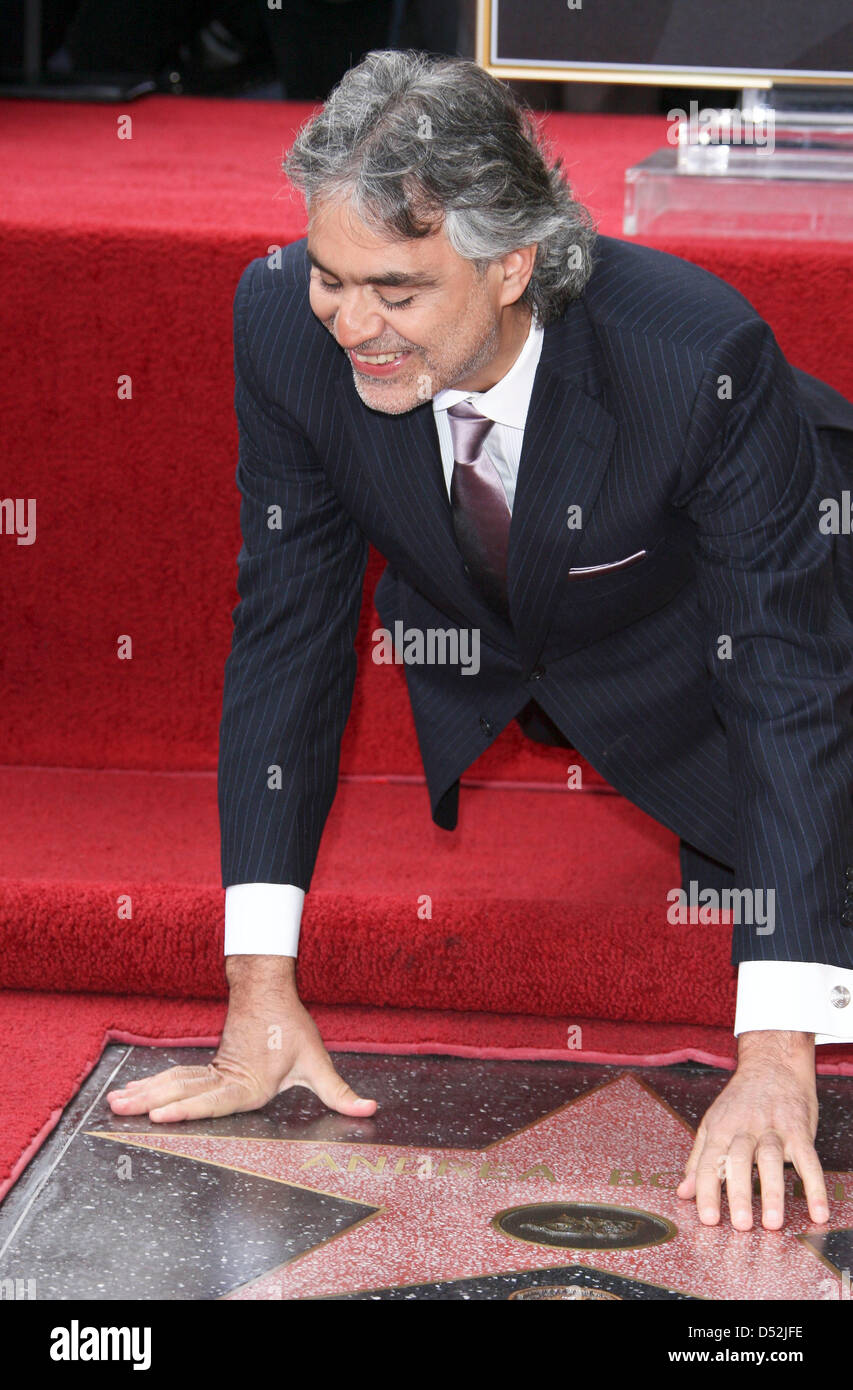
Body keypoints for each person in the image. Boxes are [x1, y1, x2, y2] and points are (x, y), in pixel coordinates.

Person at [108, 50, 853, 1235]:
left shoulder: (693, 356)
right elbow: (287, 634)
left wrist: (776, 1052)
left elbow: (786, 676)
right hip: (540, 631)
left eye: (396, 291)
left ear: (513, 263)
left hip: (794, 607)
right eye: (329, 277)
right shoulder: (284, 320)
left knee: (804, 895)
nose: (352, 324)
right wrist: (257, 986)